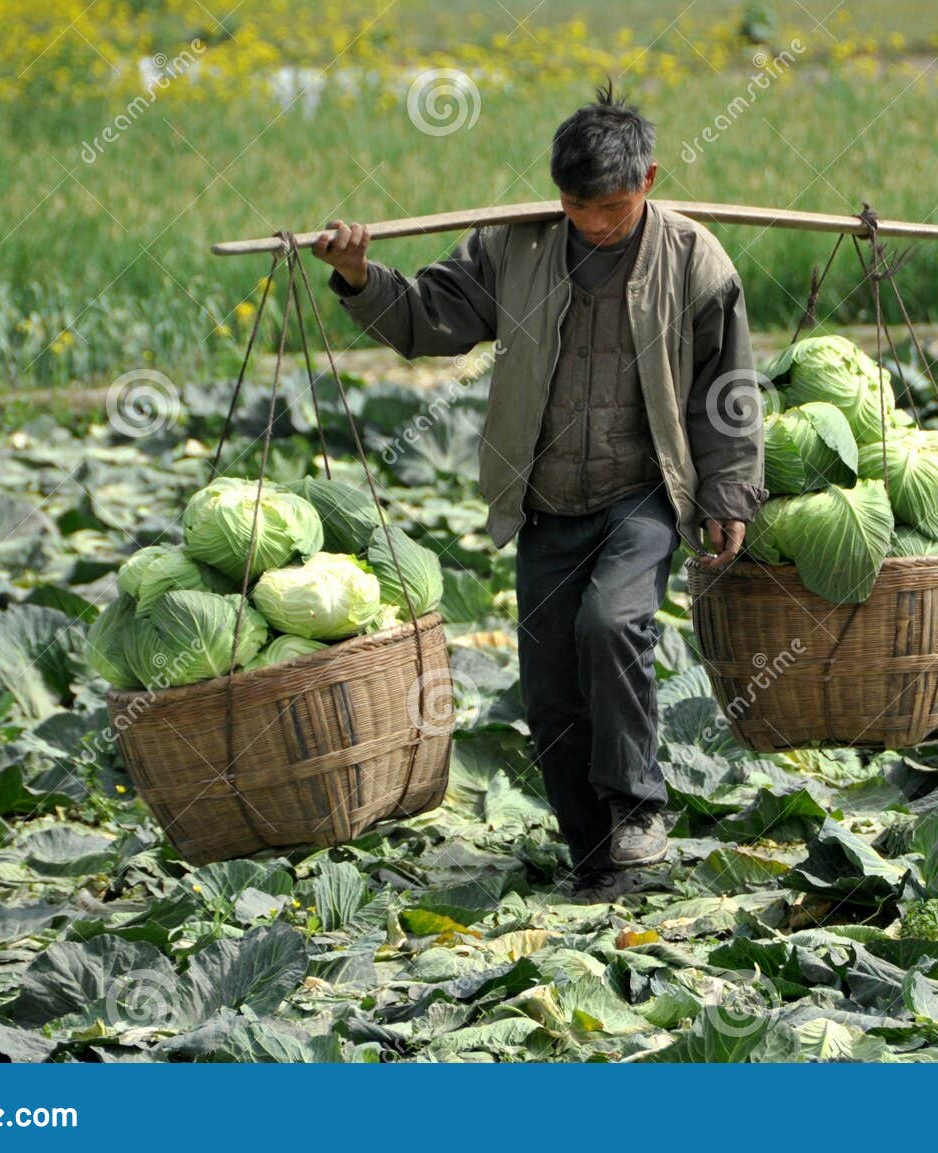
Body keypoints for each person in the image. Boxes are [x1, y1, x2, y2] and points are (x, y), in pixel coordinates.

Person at [312, 78, 768, 902]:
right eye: (577, 209)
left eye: (611, 213)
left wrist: (730, 492)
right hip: (546, 498)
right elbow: (426, 320)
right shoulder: (513, 247)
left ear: (650, 183)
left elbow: (727, 386)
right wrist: (357, 276)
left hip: (642, 493)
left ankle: (638, 802)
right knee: (550, 685)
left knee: (612, 622)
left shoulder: (695, 259)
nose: (592, 226)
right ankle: (598, 862)